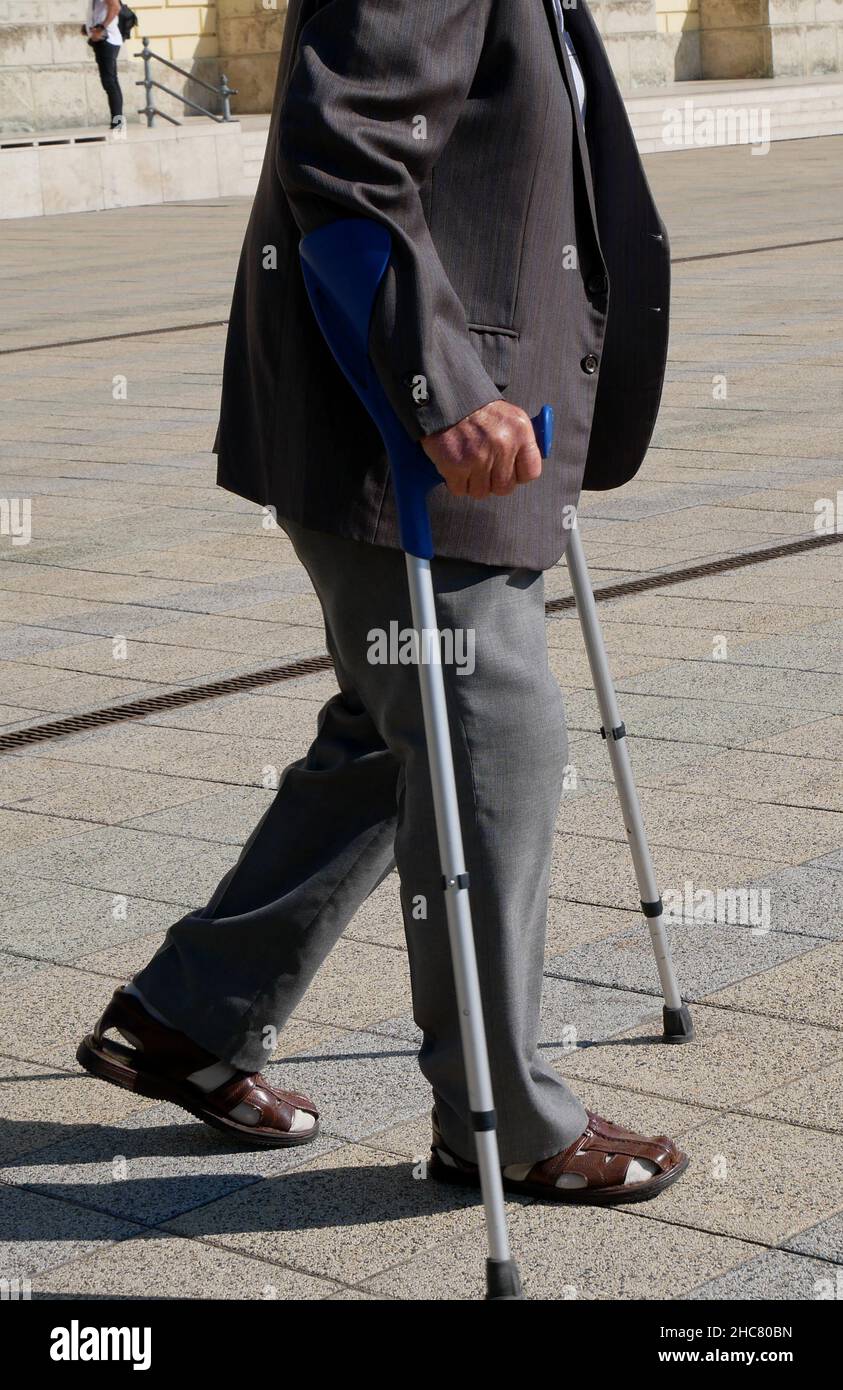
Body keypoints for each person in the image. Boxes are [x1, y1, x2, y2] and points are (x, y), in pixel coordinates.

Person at [78, 1, 689, 1204]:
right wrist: (442, 387)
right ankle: (502, 1119)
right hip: (413, 421)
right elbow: (345, 153)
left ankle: (189, 1018)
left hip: (470, 406)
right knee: (489, 731)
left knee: (396, 721)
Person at [82, 0, 123, 129]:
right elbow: (100, 11)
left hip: (107, 40)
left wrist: (101, 27)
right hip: (103, 40)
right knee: (110, 82)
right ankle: (117, 122)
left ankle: (117, 123)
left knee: (110, 82)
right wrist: (88, 27)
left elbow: (116, 7)